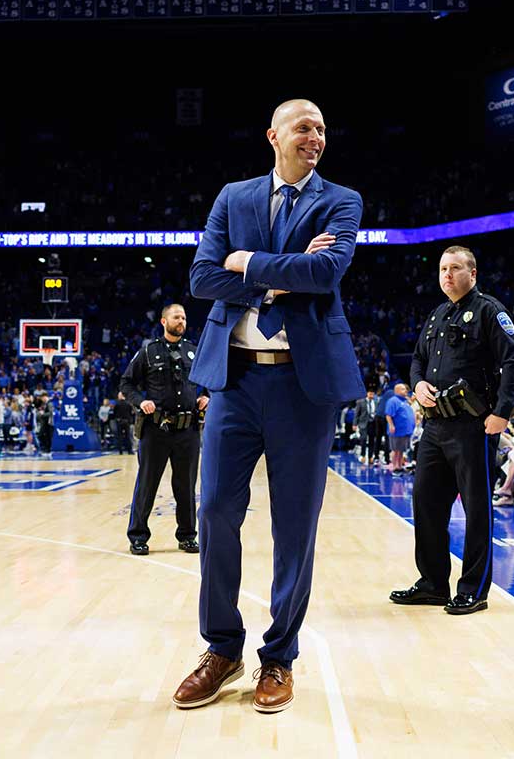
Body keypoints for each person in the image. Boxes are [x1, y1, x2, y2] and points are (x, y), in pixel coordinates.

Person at [174, 99, 365, 715]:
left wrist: (249, 262)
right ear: (274, 136)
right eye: (305, 127)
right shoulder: (234, 196)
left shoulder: (342, 200)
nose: (317, 137)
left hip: (302, 387)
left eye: (323, 129)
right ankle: (222, 647)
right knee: (214, 510)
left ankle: (278, 656)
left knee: (295, 525)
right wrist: (283, 272)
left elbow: (327, 272)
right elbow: (203, 278)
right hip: (233, 380)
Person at [391, 245, 514, 615]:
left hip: (473, 427)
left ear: (472, 274)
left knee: (477, 510)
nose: (447, 275)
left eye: (455, 268)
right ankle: (433, 584)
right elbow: (417, 360)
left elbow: (513, 361)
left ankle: (474, 589)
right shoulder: (435, 316)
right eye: (442, 269)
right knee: (427, 505)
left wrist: (502, 413)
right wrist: (417, 385)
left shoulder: (489, 311)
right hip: (434, 428)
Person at [119, 303, 208, 556]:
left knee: (186, 486)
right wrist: (140, 401)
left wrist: (207, 397)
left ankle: (187, 535)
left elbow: (211, 380)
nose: (181, 321)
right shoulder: (148, 351)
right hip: (156, 429)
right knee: (147, 484)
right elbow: (126, 383)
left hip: (187, 430)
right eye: (176, 317)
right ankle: (138, 537)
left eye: (184, 317)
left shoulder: (194, 351)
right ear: (163, 321)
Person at [384, 383, 415, 473]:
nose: (405, 391)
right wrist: (391, 425)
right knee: (395, 450)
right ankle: (395, 467)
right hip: (397, 430)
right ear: (397, 391)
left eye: (405, 389)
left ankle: (399, 466)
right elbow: (388, 415)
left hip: (405, 431)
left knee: (401, 450)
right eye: (403, 389)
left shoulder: (405, 401)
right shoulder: (393, 401)